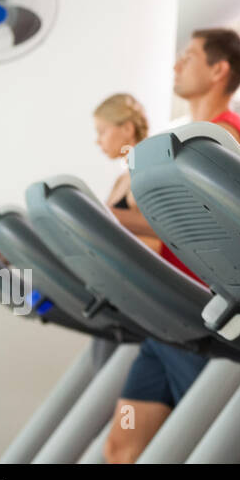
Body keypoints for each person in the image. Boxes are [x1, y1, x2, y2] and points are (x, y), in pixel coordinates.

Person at [103, 28, 240, 464]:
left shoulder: (224, 136)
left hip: (206, 317)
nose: (177, 63)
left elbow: (227, 223)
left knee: (228, 449)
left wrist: (114, 216)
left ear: (219, 70)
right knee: (122, 448)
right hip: (170, 315)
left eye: (189, 56)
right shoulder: (188, 137)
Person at [90, 92, 151, 364]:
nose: (98, 140)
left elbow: (158, 234)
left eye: (102, 131)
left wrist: (104, 214)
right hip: (112, 290)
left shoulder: (144, 172)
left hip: (135, 297)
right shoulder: (121, 180)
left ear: (127, 128)